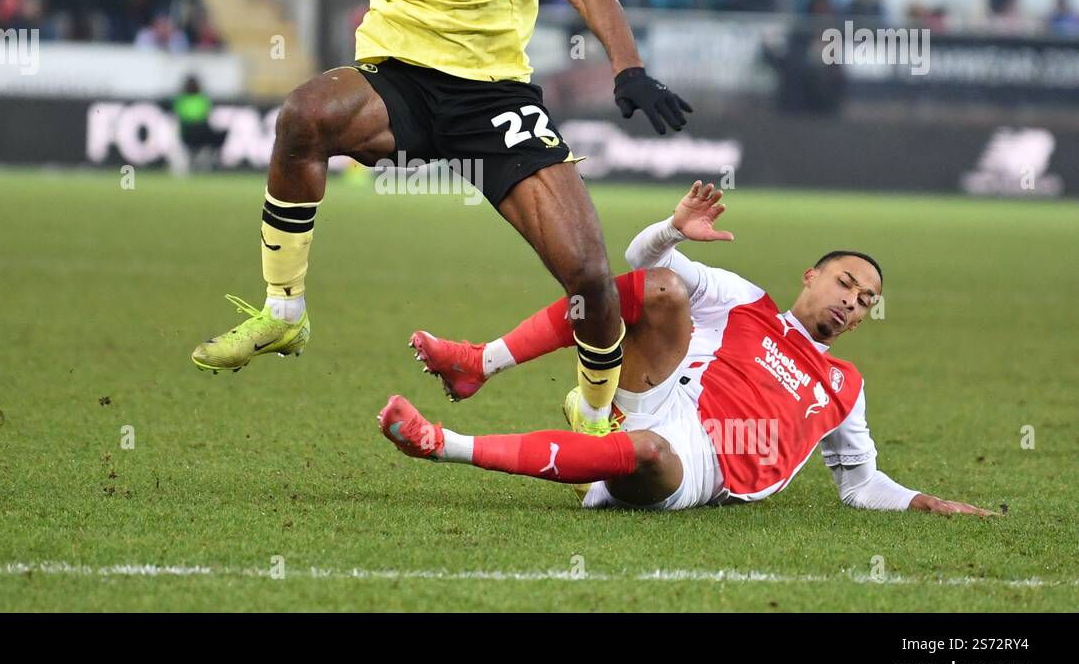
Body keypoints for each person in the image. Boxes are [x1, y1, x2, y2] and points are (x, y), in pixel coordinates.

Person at [192, 0, 692, 438]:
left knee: (588, 274)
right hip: (397, 79)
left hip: (492, 96)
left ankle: (593, 413)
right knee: (302, 117)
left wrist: (628, 68)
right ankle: (284, 313)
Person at [392, 182, 996, 517]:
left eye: (865, 300)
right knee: (658, 288)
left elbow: (860, 486)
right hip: (659, 390)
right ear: (810, 276)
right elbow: (639, 264)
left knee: (647, 452)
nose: (852, 302)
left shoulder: (845, 386)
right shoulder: (745, 301)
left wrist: (930, 502)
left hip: (700, 463)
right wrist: (673, 230)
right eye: (845, 283)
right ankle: (480, 363)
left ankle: (441, 444)